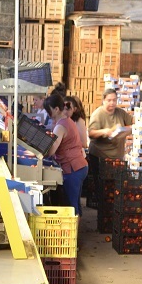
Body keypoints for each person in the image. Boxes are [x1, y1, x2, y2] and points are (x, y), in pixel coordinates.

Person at [45, 84, 89, 216]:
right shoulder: (67, 121)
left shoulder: (61, 126)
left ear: (57, 109)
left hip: (73, 168)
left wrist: (41, 151)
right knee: (75, 203)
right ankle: (76, 233)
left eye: (49, 110)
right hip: (80, 166)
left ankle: (73, 235)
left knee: (71, 206)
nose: (48, 113)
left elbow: (52, 150)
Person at [88, 87, 134, 170]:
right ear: (103, 101)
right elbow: (91, 133)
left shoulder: (120, 112)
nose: (112, 103)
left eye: (114, 100)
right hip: (101, 157)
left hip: (117, 158)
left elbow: (132, 121)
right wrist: (104, 132)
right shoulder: (98, 114)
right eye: (109, 100)